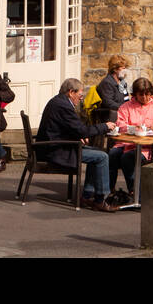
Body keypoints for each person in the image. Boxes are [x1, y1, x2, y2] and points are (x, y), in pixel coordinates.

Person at [35, 78, 120, 212]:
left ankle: (87, 195)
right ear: (71, 92)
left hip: (56, 144)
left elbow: (69, 128)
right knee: (102, 157)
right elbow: (82, 130)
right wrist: (105, 126)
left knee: (96, 153)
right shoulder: (63, 106)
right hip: (55, 150)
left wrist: (78, 136)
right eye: (80, 95)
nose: (81, 99)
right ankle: (101, 199)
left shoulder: (58, 101)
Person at [107, 77, 153, 203]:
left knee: (128, 158)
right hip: (124, 143)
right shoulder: (126, 106)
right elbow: (120, 124)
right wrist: (131, 128)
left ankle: (135, 191)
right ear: (135, 94)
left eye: (147, 94)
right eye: (141, 94)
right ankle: (108, 190)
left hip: (145, 147)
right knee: (112, 155)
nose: (144, 97)